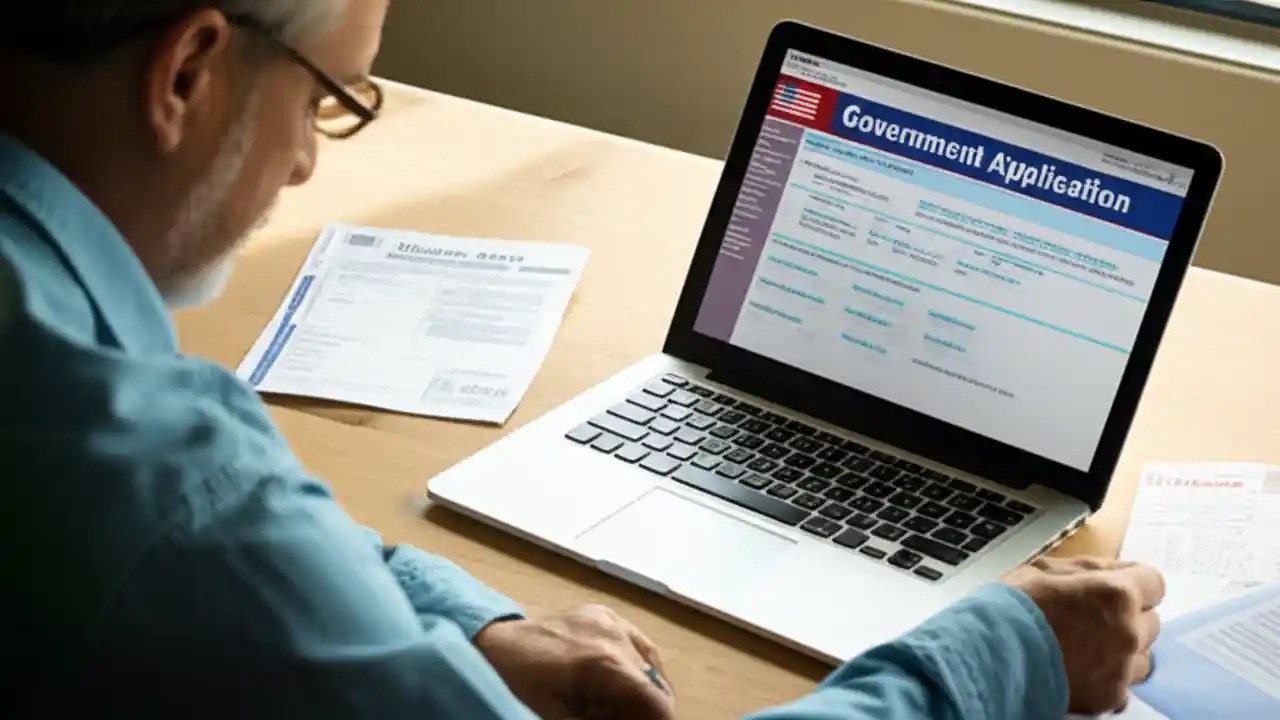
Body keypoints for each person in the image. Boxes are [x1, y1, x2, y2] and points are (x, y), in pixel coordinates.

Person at [0, 1, 1164, 718]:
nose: (305, 167)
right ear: (188, 71)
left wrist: (461, 624)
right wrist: (1003, 651)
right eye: (331, 102)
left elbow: (208, 563)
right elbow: (195, 536)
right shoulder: (162, 481)